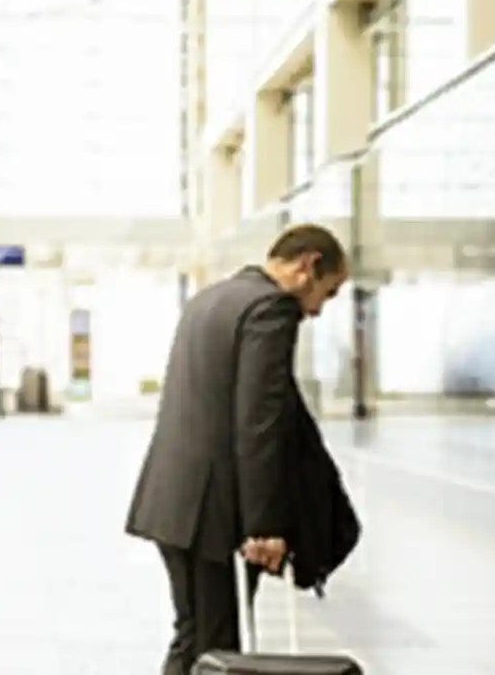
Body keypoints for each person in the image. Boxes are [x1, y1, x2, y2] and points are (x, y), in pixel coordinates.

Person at [124, 223, 348, 674]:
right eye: (329, 292)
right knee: (214, 646)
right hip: (212, 510)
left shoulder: (210, 298)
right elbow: (258, 423)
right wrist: (264, 525)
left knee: (195, 638)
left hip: (174, 498)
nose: (320, 310)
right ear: (309, 266)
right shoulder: (271, 309)